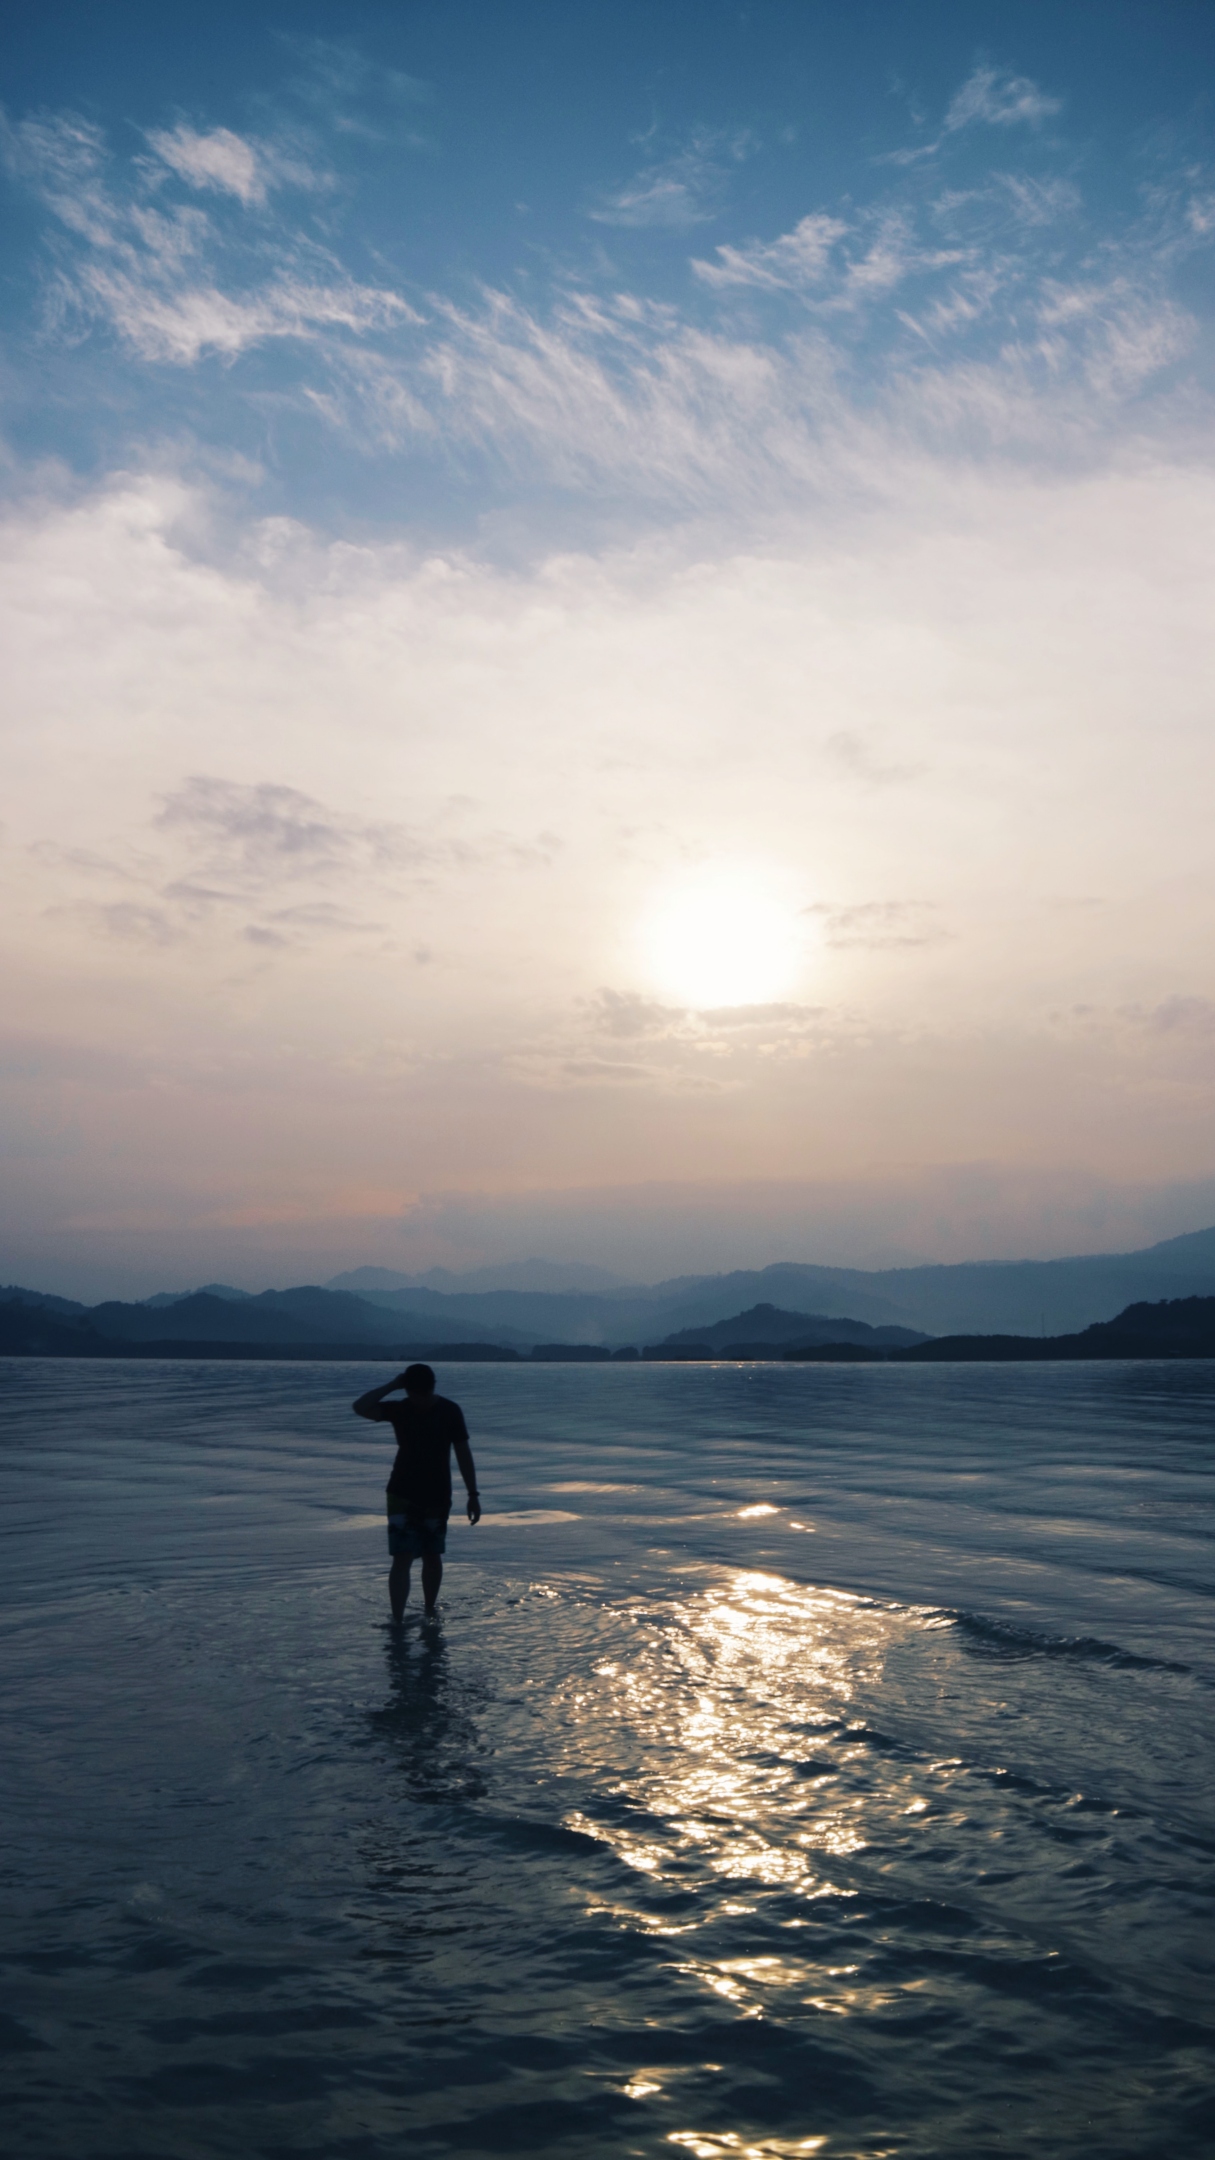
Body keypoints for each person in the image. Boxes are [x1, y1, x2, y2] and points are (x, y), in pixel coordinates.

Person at [352, 1363, 481, 1621]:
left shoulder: (449, 1411)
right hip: (402, 1493)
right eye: (414, 1395)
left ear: (432, 1389)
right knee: (402, 1557)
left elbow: (463, 1453)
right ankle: (397, 1620)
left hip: (437, 1495)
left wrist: (473, 1494)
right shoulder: (400, 1408)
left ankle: (430, 1612)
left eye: (422, 1396)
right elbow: (360, 1407)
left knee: (433, 1555)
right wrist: (392, 1385)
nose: (419, 1401)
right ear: (408, 1391)